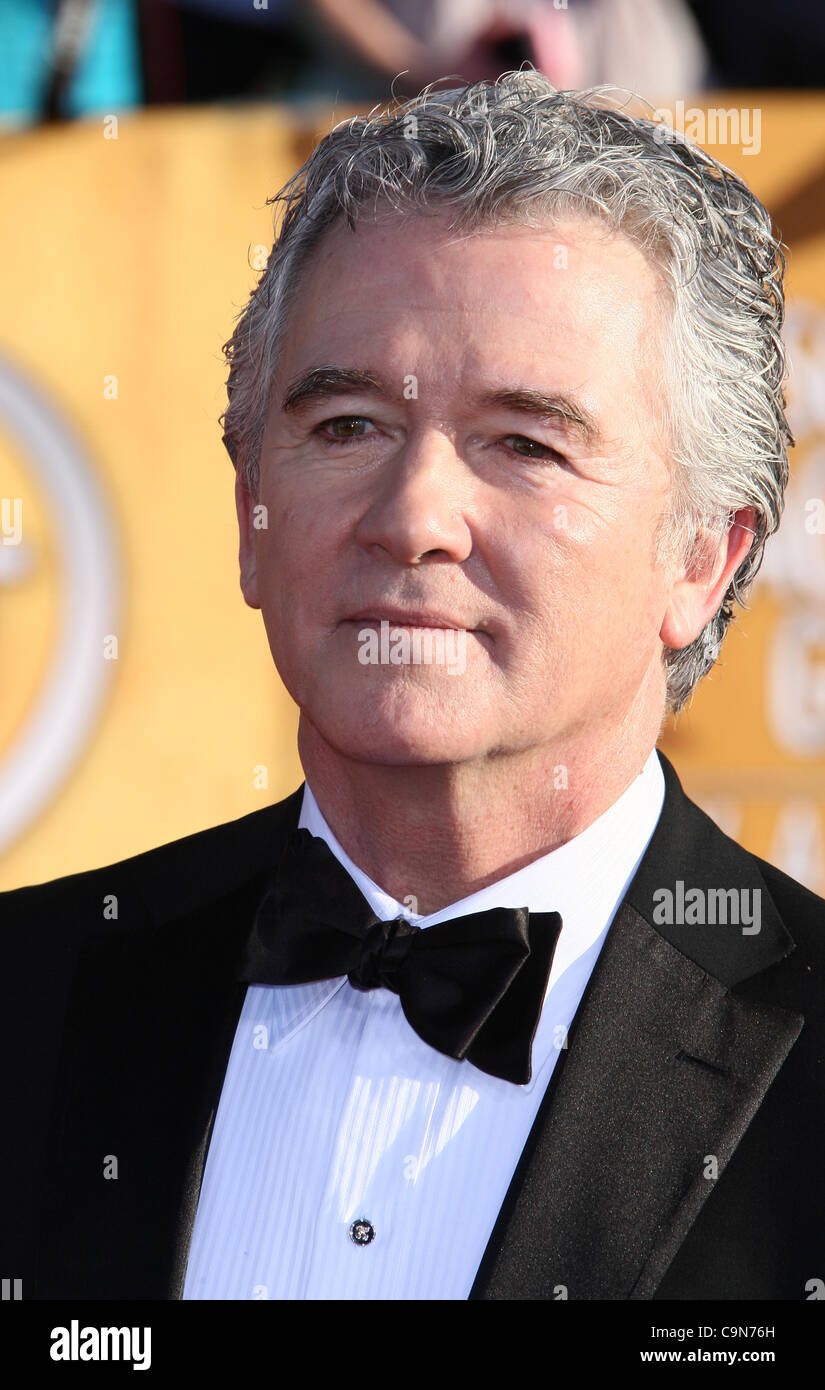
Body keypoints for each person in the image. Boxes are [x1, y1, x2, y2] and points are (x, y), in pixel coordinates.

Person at [2, 69, 823, 1302]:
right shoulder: (33, 991)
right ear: (250, 518)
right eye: (346, 427)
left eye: (526, 443)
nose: (415, 517)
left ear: (702, 558)